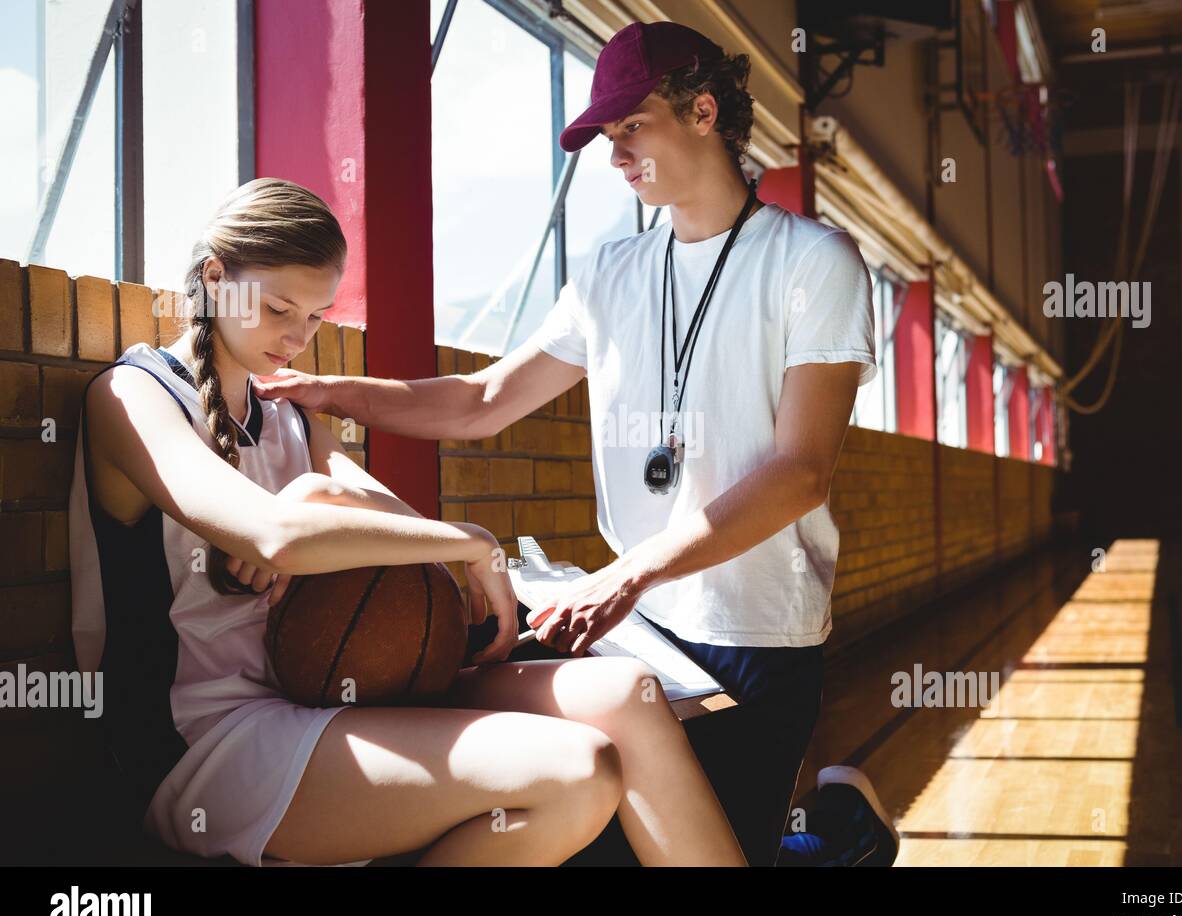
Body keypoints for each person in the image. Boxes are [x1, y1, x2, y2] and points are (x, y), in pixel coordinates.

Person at [255, 20, 901, 867]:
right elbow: (483, 399)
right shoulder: (610, 273)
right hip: (637, 630)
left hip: (756, 633)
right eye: (606, 135)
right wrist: (337, 391)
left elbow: (802, 474)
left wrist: (627, 574)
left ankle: (845, 833)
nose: (615, 152)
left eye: (633, 125)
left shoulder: (814, 263)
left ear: (704, 111)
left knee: (723, 854)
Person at [68, 176, 746, 867]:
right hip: (205, 738)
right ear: (216, 279)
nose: (298, 337)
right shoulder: (133, 396)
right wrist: (471, 542)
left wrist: (319, 495)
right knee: (577, 773)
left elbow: (392, 523)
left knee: (626, 693)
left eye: (316, 317)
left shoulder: (290, 416)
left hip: (321, 683)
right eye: (278, 309)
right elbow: (272, 536)